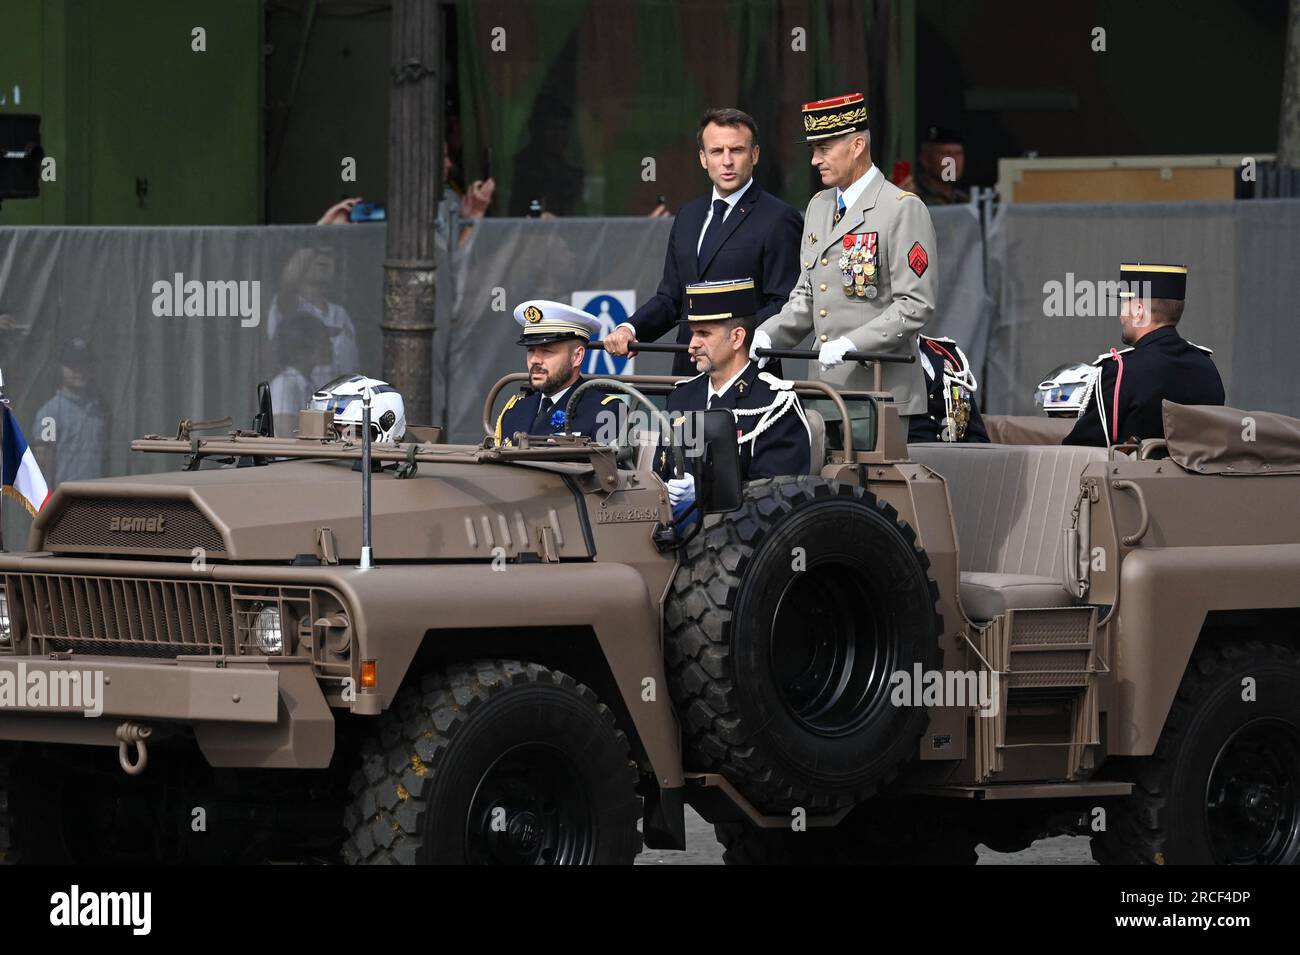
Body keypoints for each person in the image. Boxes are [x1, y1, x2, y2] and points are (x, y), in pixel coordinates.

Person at [754, 93, 938, 421]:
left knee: (868, 475)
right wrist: (769, 333)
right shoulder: (819, 206)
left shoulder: (900, 208)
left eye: (824, 149)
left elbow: (915, 304)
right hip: (824, 391)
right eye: (813, 150)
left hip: (880, 391)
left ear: (856, 146)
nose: (815, 160)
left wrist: (854, 344)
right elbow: (807, 295)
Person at [601, 107, 803, 376]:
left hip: (746, 375)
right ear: (703, 158)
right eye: (717, 151)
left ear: (755, 154)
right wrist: (631, 327)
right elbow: (671, 297)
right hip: (688, 373)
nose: (727, 161)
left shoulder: (779, 217)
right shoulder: (688, 215)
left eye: (737, 150)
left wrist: (727, 337)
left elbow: (784, 303)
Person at [662, 279, 812, 515]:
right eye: (692, 334)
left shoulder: (774, 403)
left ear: (737, 338)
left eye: (703, 334)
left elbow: (780, 494)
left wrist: (705, 493)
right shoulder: (682, 397)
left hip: (740, 540)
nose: (692, 345)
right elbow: (661, 471)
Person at [1064, 263, 1225, 447]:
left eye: (1124, 305)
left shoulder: (1120, 372)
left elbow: (1081, 448)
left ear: (1139, 311)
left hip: (1129, 476)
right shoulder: (1207, 368)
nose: (1121, 316)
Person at [495, 300, 626, 446]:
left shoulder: (605, 412)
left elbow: (605, 467)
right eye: (530, 350)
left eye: (547, 351)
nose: (535, 360)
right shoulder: (515, 409)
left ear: (577, 357)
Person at [32, 338, 108, 485]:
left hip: (97, 498)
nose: (80, 371)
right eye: (73, 365)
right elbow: (43, 463)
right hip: (63, 500)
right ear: (59, 368)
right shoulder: (50, 412)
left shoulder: (100, 410)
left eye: (85, 365)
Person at [269, 311, 339, 437]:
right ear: (305, 346)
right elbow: (287, 434)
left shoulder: (305, 382)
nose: (330, 344)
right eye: (324, 339)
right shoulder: (285, 384)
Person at [908, 335, 989, 443]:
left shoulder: (949, 353)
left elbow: (977, 435)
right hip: (905, 456)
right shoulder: (880, 361)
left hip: (957, 454)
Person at [908, 126, 970, 206]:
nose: (953, 160)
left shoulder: (964, 200)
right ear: (925, 160)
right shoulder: (913, 196)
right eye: (945, 153)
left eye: (958, 153)